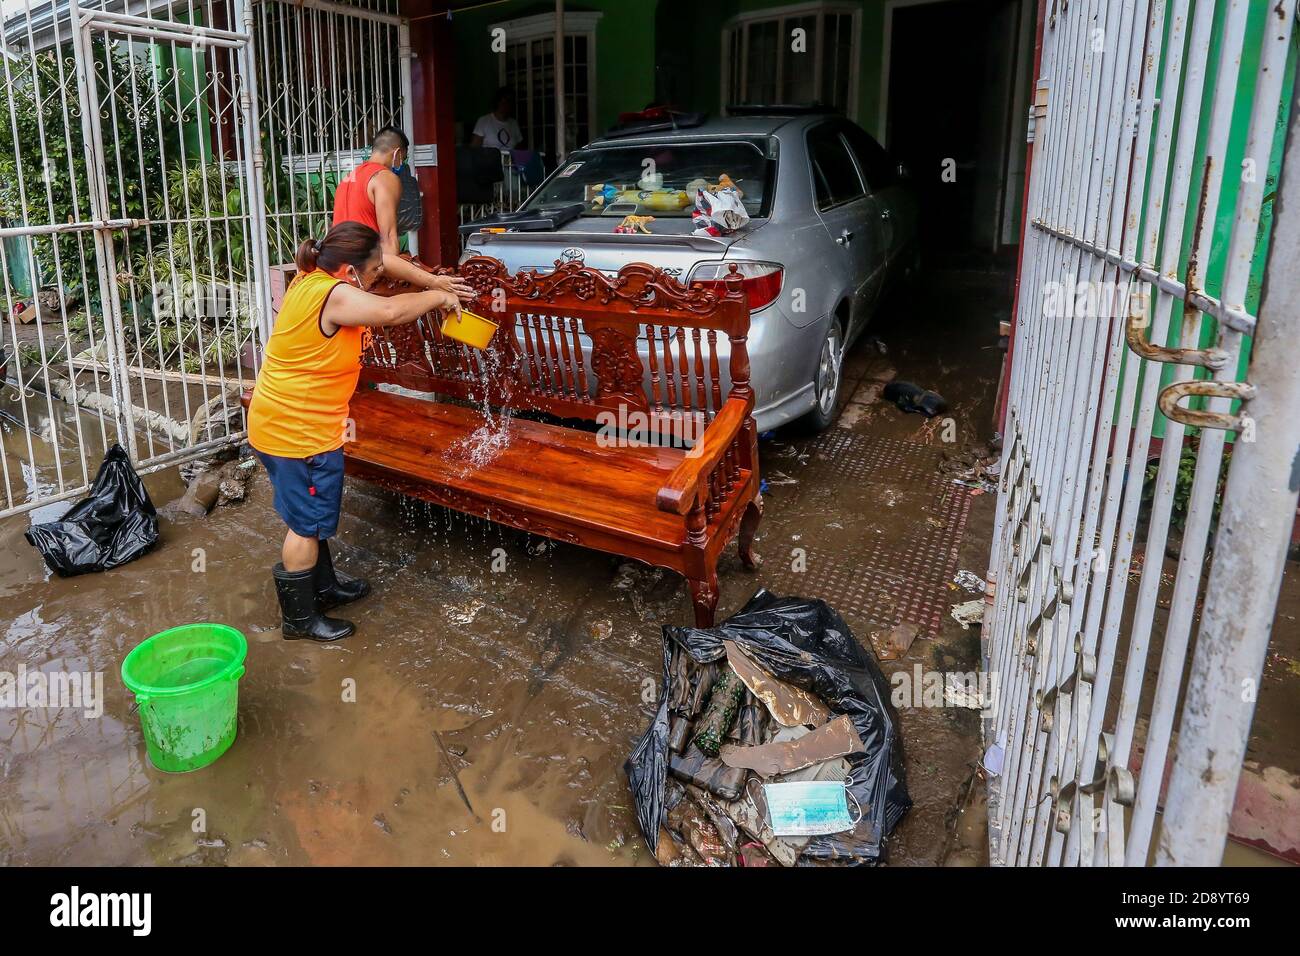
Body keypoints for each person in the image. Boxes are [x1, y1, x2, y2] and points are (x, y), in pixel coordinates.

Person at [247, 222, 463, 642]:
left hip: (292, 423)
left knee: (312, 516)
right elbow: (389, 312)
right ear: (349, 271)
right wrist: (440, 294)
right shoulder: (334, 295)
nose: (380, 276)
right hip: (297, 432)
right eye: (376, 270)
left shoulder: (312, 281)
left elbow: (380, 306)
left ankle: (324, 587)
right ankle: (300, 620)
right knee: (304, 526)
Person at [333, 125, 474, 303]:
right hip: (362, 270)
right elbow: (389, 238)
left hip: (337, 269)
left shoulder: (348, 178)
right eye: (404, 159)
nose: (401, 165)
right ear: (397, 153)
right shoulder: (384, 177)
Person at [470, 87, 524, 153]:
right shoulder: (484, 121)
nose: (506, 105)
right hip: (490, 161)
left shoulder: (513, 123)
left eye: (510, 102)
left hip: (510, 161)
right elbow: (475, 148)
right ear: (498, 102)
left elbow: (519, 146)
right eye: (504, 101)